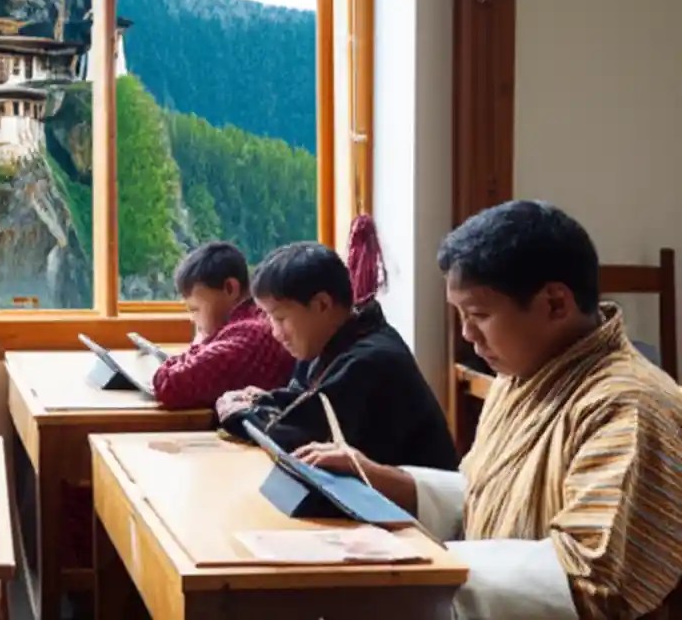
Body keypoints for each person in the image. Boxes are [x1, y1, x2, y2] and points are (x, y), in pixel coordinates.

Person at [296, 200, 682, 619]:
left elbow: (592, 578)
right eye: (460, 314)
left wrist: (418, 569)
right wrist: (385, 481)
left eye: (478, 314)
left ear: (555, 304)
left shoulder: (630, 407)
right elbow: (493, 497)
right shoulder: (523, 374)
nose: (466, 333)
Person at [216, 235, 458, 470]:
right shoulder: (330, 341)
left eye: (280, 318)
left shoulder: (371, 360)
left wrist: (241, 412)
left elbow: (295, 438)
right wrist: (261, 401)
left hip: (412, 509)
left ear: (322, 304)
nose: (276, 333)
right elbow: (303, 401)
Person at [150, 241, 295, 409]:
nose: (193, 319)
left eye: (195, 309)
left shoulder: (250, 334)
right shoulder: (247, 325)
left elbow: (171, 384)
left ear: (230, 289)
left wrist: (200, 344)